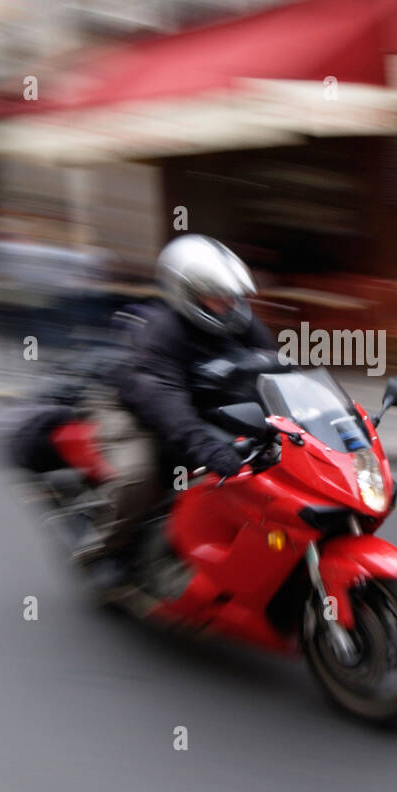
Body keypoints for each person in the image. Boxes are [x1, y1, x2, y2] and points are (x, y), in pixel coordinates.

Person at [77, 235, 277, 594]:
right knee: (141, 478)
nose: (229, 303)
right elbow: (164, 399)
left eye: (233, 295)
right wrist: (204, 446)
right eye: (216, 295)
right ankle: (104, 552)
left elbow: (277, 373)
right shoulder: (162, 333)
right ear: (186, 292)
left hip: (205, 413)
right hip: (135, 412)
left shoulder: (244, 325)